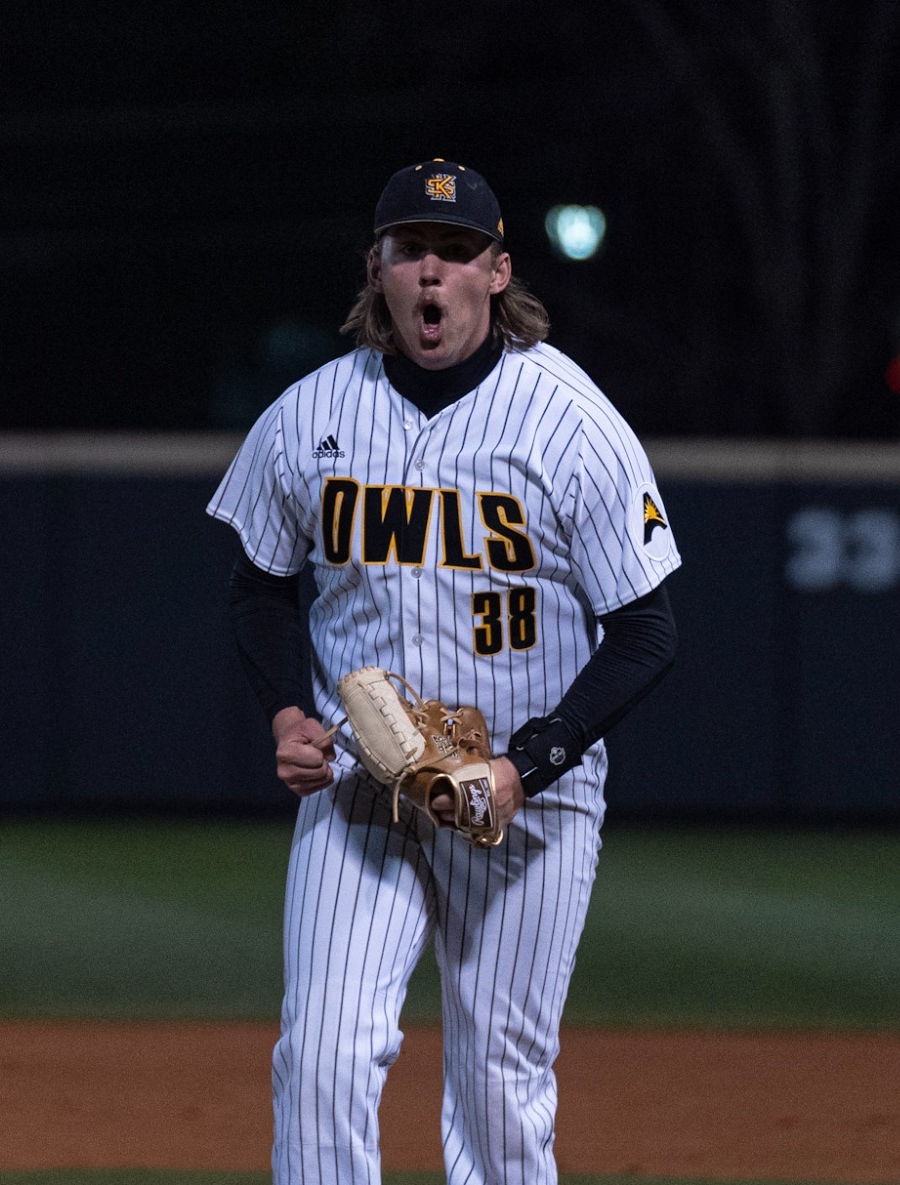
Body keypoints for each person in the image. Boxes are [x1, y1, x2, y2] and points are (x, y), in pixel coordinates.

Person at [207, 158, 680, 1185]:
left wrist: (529, 764)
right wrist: (287, 711)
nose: (432, 274)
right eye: (410, 251)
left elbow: (645, 629)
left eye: (456, 253)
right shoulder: (309, 415)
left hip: (526, 798)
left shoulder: (569, 421)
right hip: (363, 789)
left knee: (498, 1092)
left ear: (497, 272)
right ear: (375, 269)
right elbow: (259, 588)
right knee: (321, 1058)